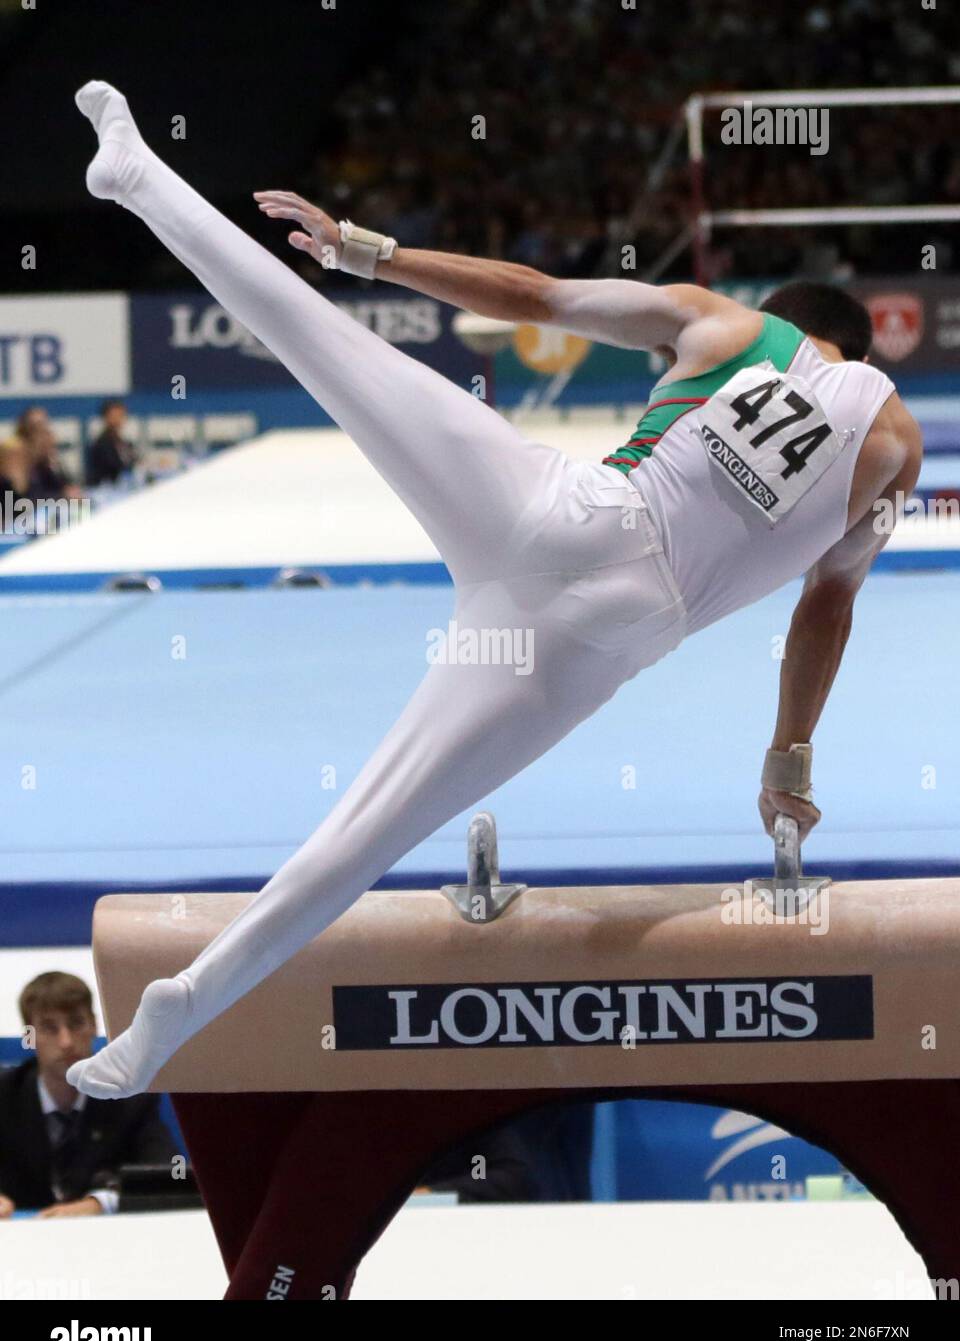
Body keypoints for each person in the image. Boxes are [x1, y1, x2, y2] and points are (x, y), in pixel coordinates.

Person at [67, 82, 921, 1102]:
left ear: (788, 323)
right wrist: (786, 760)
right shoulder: (894, 447)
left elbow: (530, 295)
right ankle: (188, 1005)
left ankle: (137, 176)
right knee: (366, 835)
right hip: (610, 635)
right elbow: (827, 606)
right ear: (863, 357)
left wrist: (358, 250)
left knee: (320, 340)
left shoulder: (722, 322)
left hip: (556, 509)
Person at [0, 973, 176, 1217]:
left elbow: (166, 1172)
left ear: (94, 1025)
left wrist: (100, 1203)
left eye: (76, 1024)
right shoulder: (5, 1094)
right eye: (50, 1028)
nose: (66, 1042)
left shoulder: (129, 1095)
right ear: (28, 1037)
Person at [86, 398, 139, 486]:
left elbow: (135, 460)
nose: (119, 419)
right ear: (106, 417)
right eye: (115, 415)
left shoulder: (124, 441)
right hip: (107, 489)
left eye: (122, 415)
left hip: (124, 485)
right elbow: (115, 468)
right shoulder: (101, 444)